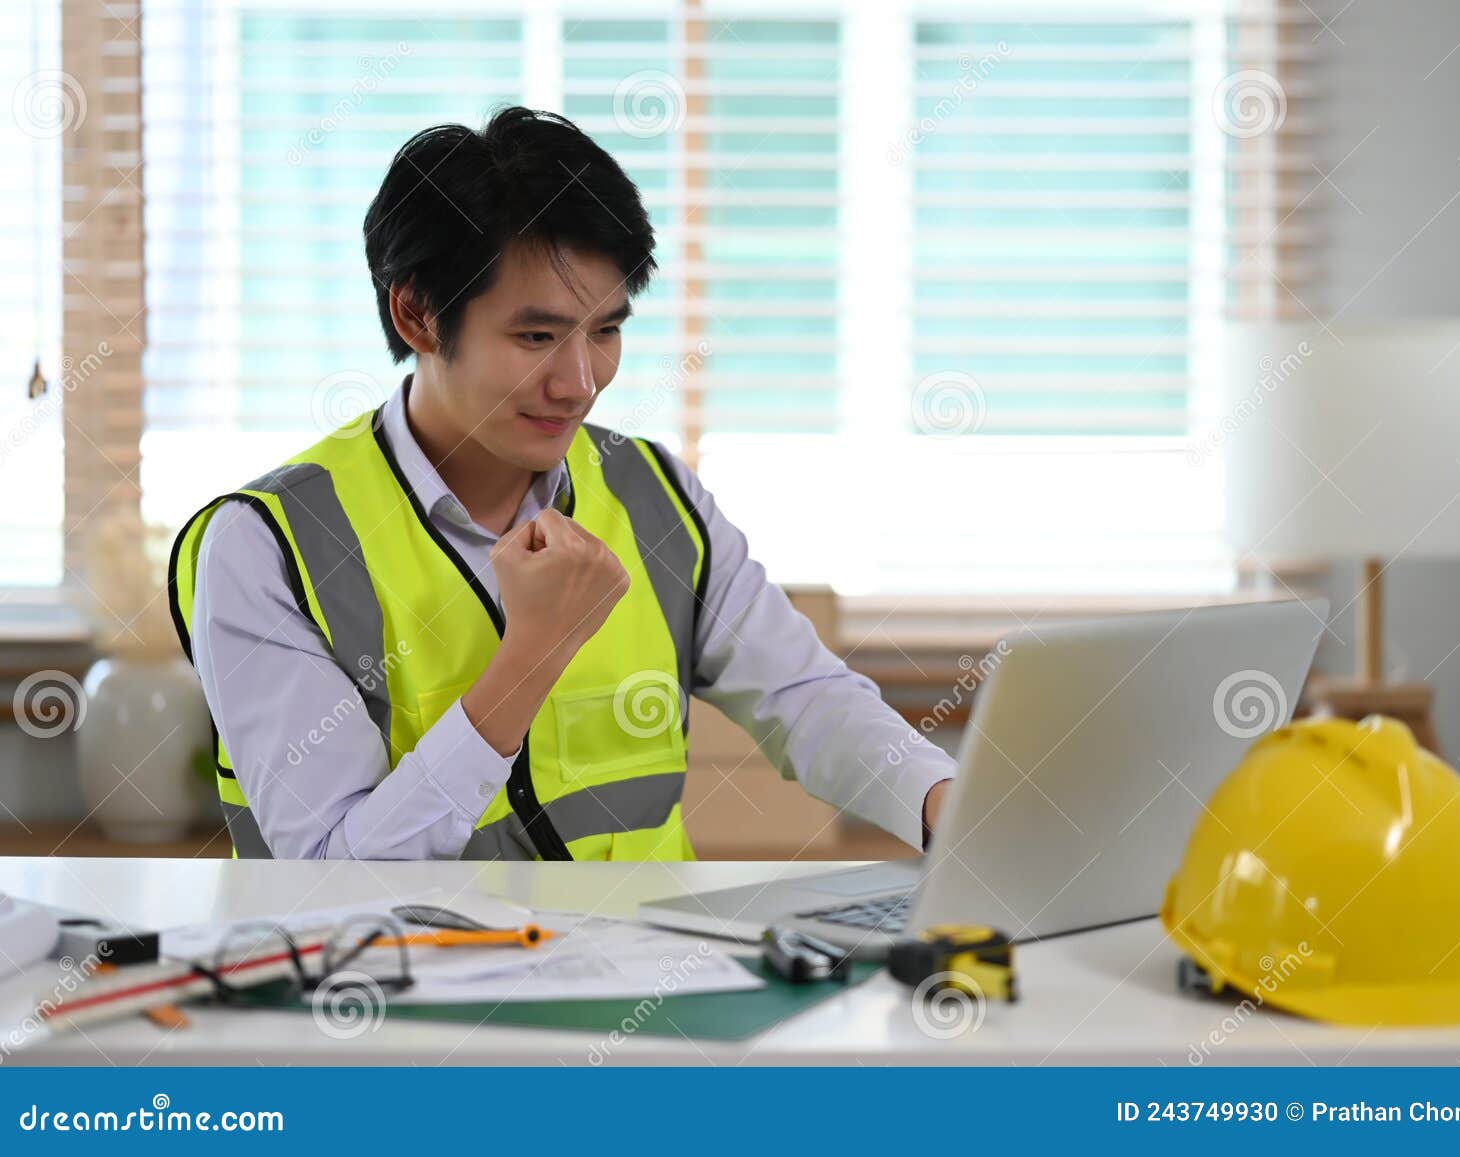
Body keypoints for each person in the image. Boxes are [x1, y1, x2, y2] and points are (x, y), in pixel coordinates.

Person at [168, 107, 955, 861]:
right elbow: (333, 870)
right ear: (415, 314)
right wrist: (529, 659)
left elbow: (804, 698)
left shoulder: (652, 492)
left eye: (606, 331)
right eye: (537, 336)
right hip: (412, 993)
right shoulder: (266, 546)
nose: (580, 382)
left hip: (664, 973)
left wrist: (944, 801)